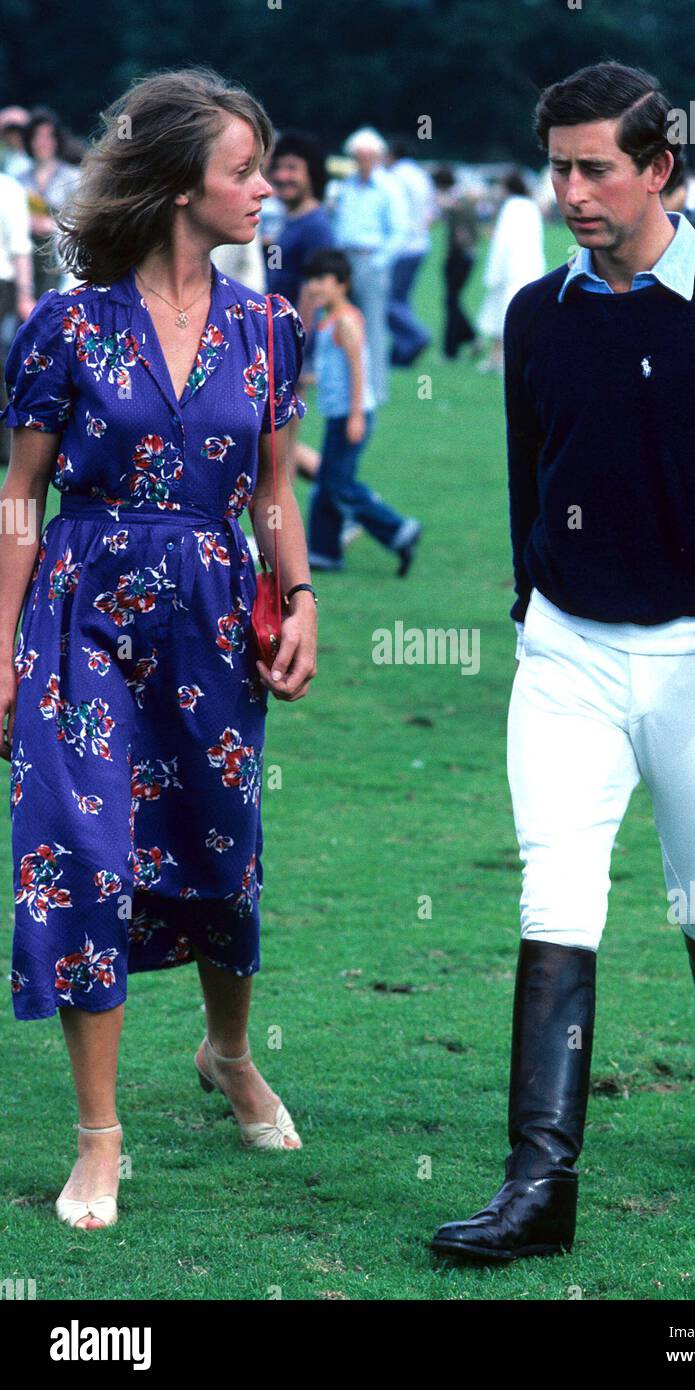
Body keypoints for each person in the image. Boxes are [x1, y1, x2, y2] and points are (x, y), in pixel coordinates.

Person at [431, 60, 695, 1264]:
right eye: (556, 165)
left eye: (594, 166)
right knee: (555, 892)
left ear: (658, 168)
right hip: (566, 653)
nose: (570, 190)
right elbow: (526, 485)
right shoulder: (533, 314)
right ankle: (537, 1188)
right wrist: (524, 614)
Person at [0, 66, 318, 1231]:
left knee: (217, 849)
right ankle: (98, 1137)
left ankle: (226, 1052)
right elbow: (19, 498)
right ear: (179, 180)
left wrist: (300, 593)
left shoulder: (267, 325)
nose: (264, 189)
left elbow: (276, 489)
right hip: (76, 609)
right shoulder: (67, 322)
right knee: (79, 852)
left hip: (212, 613)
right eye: (243, 170)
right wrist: (0, 646)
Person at [301, 248, 421, 574]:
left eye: (322, 279)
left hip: (350, 415)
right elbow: (330, 370)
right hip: (338, 413)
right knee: (327, 484)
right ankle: (324, 553)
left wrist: (355, 415)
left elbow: (357, 369)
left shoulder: (345, 322)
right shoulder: (329, 321)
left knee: (338, 484)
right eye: (311, 279)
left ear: (342, 284)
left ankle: (397, 530)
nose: (314, 286)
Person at [263, 129, 337, 483]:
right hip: (276, 347)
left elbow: (312, 296)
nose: (282, 176)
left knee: (281, 453)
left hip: (290, 352)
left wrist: (295, 356)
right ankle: (348, 508)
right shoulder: (294, 221)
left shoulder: (316, 226)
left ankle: (345, 508)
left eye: (293, 168)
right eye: (278, 168)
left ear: (313, 174)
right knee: (279, 450)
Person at [332, 127, 408, 407]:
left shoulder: (388, 187)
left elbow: (399, 230)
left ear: (376, 156)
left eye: (366, 156)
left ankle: (375, 389)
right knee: (342, 321)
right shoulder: (347, 186)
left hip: (371, 259)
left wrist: (379, 262)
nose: (362, 161)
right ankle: (346, 384)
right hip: (345, 259)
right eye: (357, 156)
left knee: (373, 325)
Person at [475, 169, 545, 373]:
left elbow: (503, 243)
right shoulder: (531, 207)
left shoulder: (512, 208)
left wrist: (493, 273)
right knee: (517, 313)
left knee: (504, 313)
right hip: (530, 265)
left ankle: (502, 359)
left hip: (511, 268)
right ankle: (499, 357)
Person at [18, 106, 81, 298]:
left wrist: (53, 225)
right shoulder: (19, 180)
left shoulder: (74, 177)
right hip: (27, 261)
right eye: (37, 136)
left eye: (48, 136)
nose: (43, 143)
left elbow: (83, 221)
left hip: (62, 262)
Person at [384, 138, 436, 366]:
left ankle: (416, 336)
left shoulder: (395, 177)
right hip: (420, 244)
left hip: (402, 246)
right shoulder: (421, 175)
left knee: (389, 301)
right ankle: (402, 350)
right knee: (402, 300)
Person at [0, 168, 35, 469]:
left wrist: (25, 295)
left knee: (3, 367)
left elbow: (20, 248)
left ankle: (6, 450)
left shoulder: (8, 188)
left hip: (3, 287)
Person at [432, 165, 479, 359]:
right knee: (451, 301)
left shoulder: (454, 199)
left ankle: (457, 346)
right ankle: (465, 341)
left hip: (459, 256)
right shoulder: (461, 197)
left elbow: (461, 232)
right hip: (465, 256)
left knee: (451, 301)